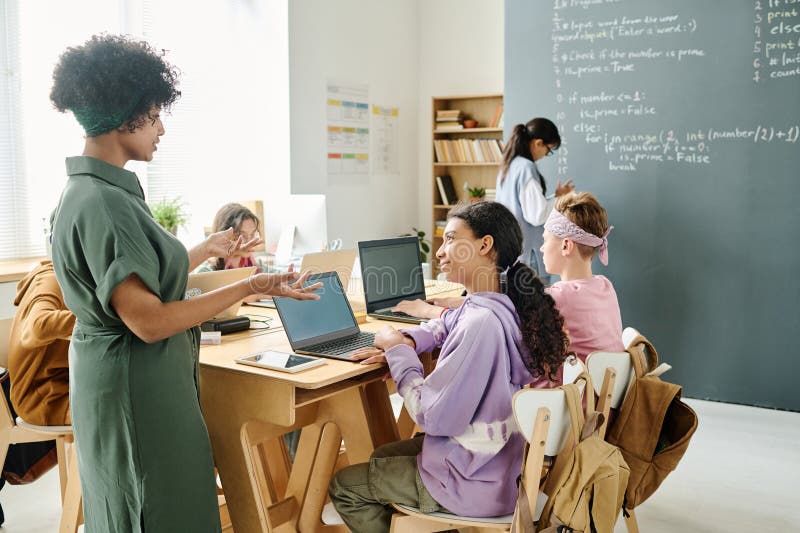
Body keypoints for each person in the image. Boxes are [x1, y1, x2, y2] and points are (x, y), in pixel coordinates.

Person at [48, 34, 320, 533]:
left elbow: (132, 278)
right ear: (125, 116)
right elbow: (149, 321)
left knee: (137, 502)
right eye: (154, 116)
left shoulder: (90, 192)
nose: (162, 128)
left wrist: (205, 251)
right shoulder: (106, 203)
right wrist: (248, 286)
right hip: (136, 385)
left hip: (124, 378)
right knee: (158, 507)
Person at [328, 201, 569, 532]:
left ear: (485, 246)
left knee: (345, 487)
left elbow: (431, 415)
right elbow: (446, 323)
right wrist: (409, 339)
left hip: (468, 483)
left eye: (451, 239)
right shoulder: (499, 307)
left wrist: (397, 350)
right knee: (382, 456)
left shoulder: (480, 324)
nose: (440, 252)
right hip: (497, 467)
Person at [539, 191, 624, 363]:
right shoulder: (606, 286)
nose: (542, 248)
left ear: (566, 246)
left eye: (545, 240)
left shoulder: (556, 297)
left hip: (578, 381)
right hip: (610, 379)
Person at [495, 117, 576, 284]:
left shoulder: (509, 166)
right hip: (528, 255)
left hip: (510, 252)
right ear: (538, 143)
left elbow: (525, 207)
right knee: (534, 299)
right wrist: (562, 198)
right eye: (549, 149)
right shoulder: (526, 167)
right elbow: (536, 215)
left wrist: (556, 196)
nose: (546, 155)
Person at [8, 260, 74, 426]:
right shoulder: (50, 277)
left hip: (70, 383)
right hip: (42, 396)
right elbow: (38, 325)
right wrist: (102, 319)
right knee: (123, 412)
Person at [197, 203, 265, 272]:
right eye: (240, 235)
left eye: (252, 234)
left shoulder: (257, 266)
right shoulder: (206, 271)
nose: (250, 241)